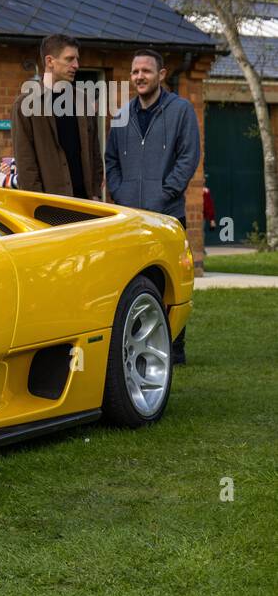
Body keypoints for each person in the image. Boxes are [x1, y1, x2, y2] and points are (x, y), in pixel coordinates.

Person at [106, 48, 201, 365]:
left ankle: (175, 347)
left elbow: (188, 158)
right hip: (130, 217)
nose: (139, 77)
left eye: (146, 71)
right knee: (134, 280)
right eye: (134, 72)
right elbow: (111, 161)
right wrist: (120, 194)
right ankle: (138, 341)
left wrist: (166, 192)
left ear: (161, 75)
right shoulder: (122, 115)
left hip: (167, 214)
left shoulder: (181, 111)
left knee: (171, 281)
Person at [11, 34, 104, 200]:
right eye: (69, 59)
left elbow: (95, 152)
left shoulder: (84, 101)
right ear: (49, 62)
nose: (76, 65)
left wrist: (96, 192)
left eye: (77, 59)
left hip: (87, 203)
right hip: (50, 206)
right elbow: (25, 164)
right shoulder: (26, 104)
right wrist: (38, 204)